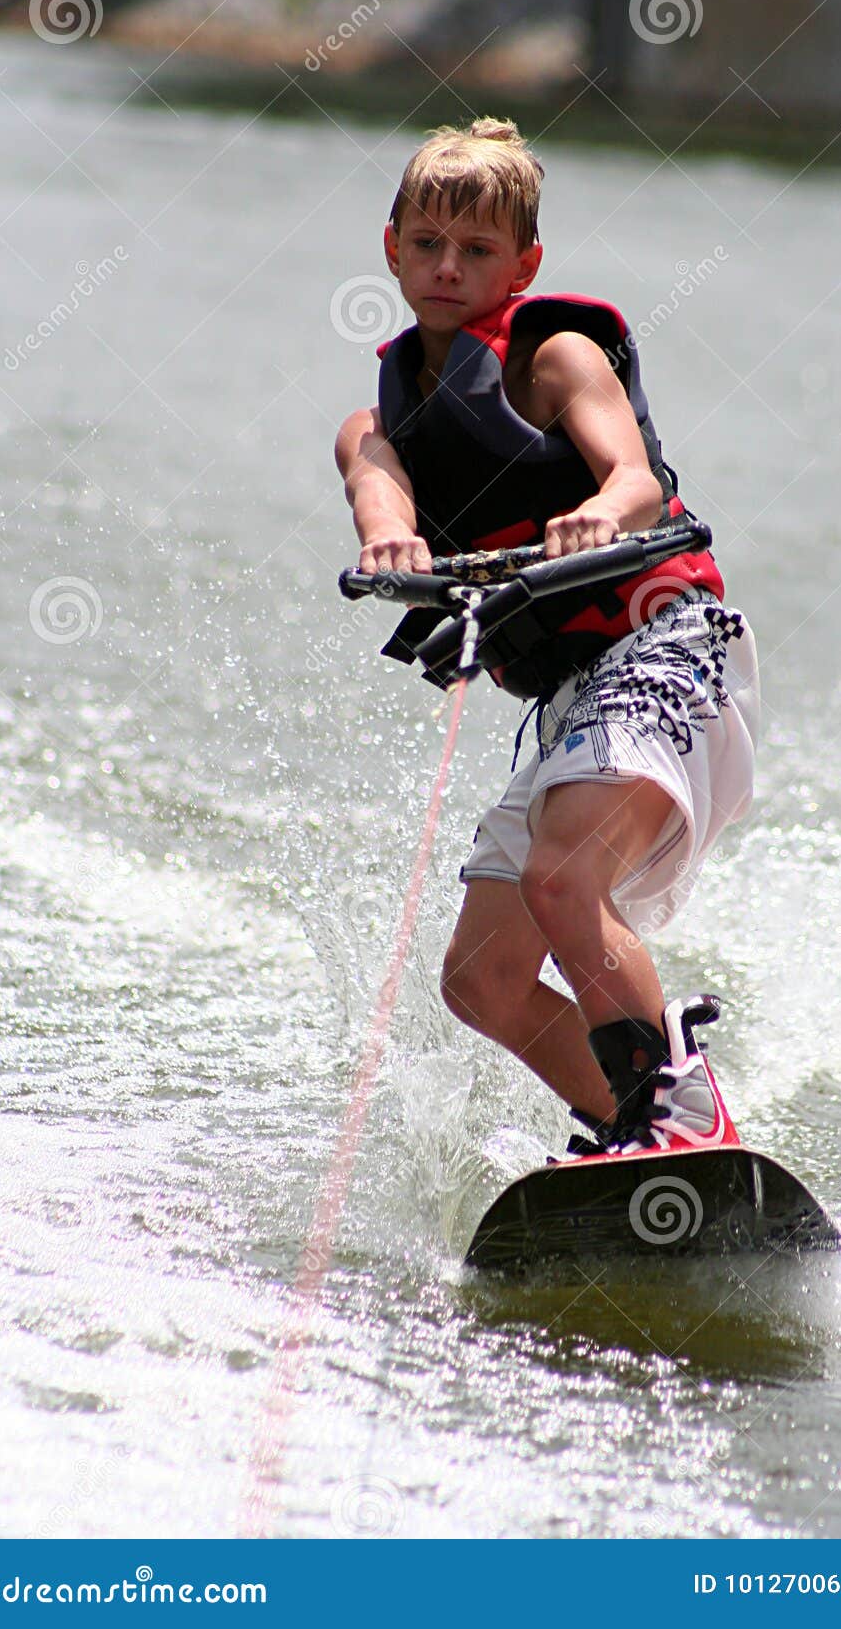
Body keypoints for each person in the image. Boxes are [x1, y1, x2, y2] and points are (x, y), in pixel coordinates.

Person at [335, 117, 759, 1159]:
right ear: (390, 246)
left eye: (476, 250)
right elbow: (381, 504)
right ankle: (631, 1131)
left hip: (667, 644)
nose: (447, 267)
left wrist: (601, 512)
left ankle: (680, 1101)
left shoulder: (553, 356)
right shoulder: (373, 424)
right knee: (478, 976)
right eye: (427, 243)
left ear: (523, 264)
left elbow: (635, 477)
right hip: (574, 694)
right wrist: (394, 548)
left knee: (562, 879)